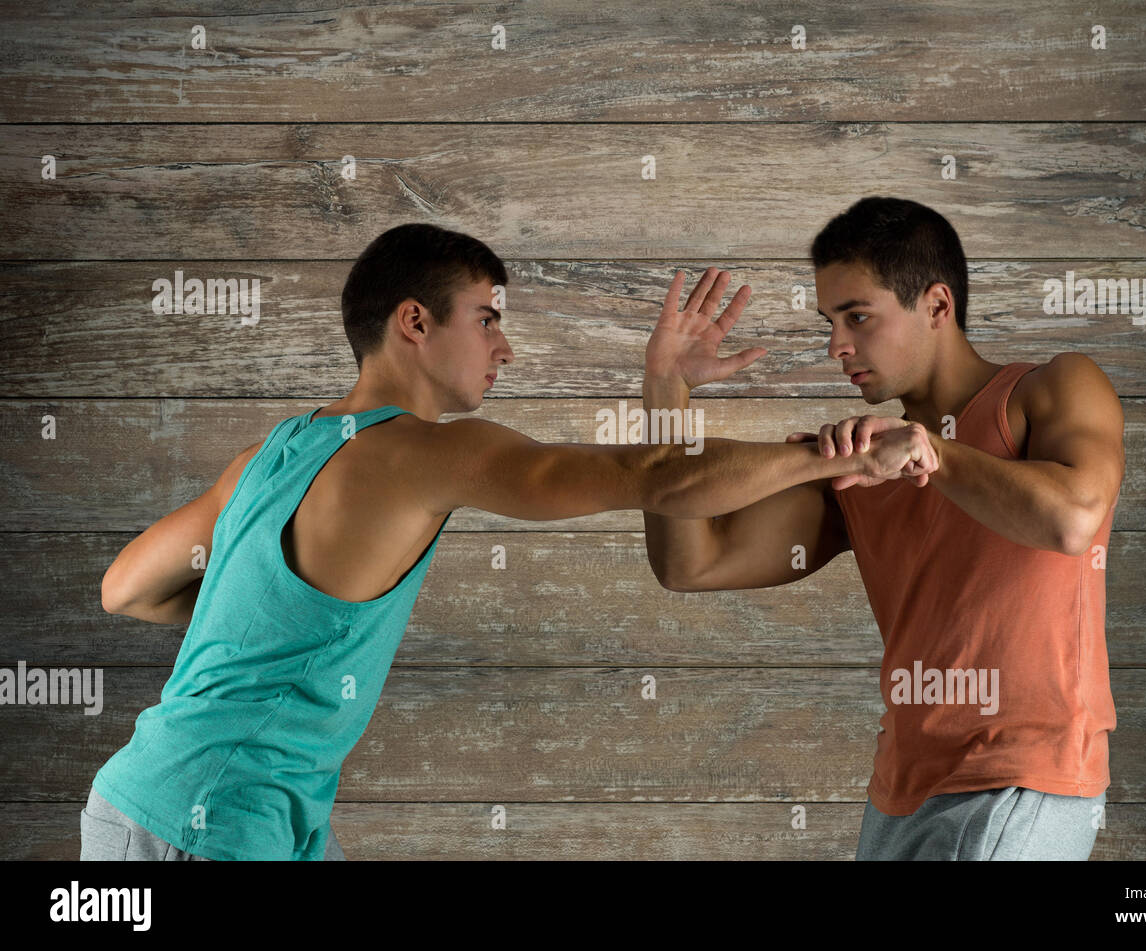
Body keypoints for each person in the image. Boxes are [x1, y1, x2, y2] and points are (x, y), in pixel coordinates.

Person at [88, 222, 936, 861]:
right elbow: (661, 478)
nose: (506, 346)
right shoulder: (430, 450)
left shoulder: (271, 453)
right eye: (486, 319)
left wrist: (271, 611)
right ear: (414, 322)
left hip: (148, 802)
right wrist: (837, 455)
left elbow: (125, 586)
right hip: (213, 820)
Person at [642, 197, 1125, 860]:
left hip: (1022, 778)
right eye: (830, 321)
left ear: (936, 306)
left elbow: (1073, 518)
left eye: (857, 316)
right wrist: (667, 391)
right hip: (900, 792)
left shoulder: (1052, 388)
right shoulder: (861, 465)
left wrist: (930, 451)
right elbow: (690, 564)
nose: (836, 344)